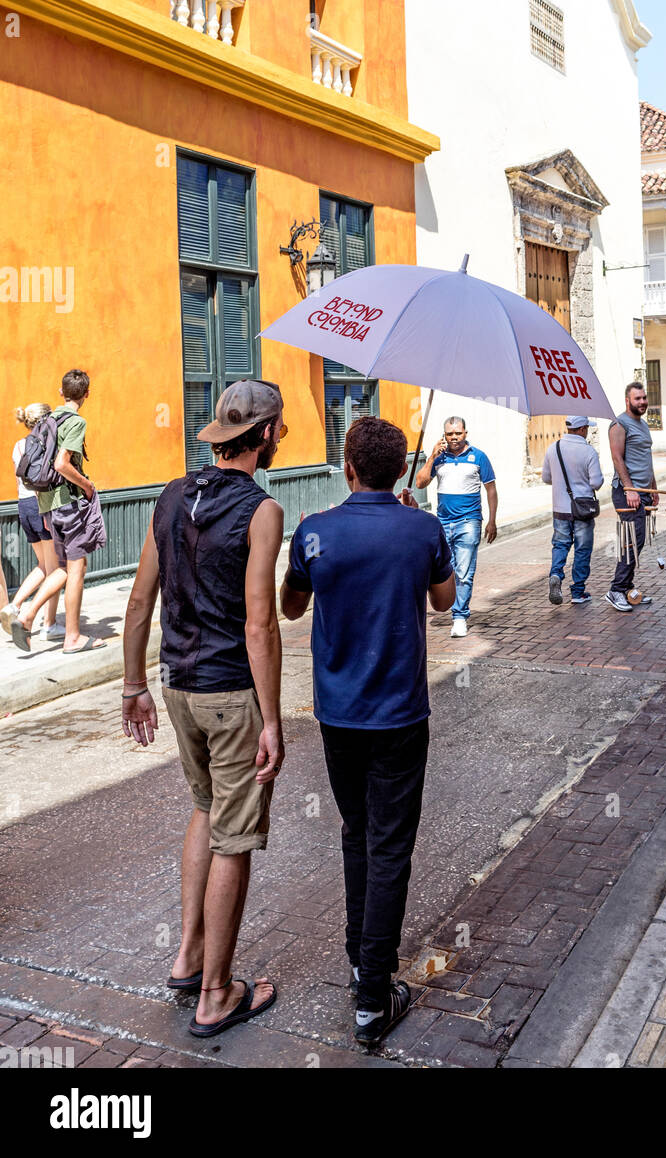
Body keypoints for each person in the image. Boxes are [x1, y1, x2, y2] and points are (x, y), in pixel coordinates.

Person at [281, 417, 455, 1045]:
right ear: (398, 469)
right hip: (402, 714)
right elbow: (443, 599)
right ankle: (372, 994)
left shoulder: (314, 530)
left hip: (338, 715)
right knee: (389, 846)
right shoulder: (423, 528)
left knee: (358, 831)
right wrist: (413, 530)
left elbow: (290, 605)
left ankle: (362, 958)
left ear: (347, 467)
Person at [121, 380, 287, 1039]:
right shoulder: (262, 510)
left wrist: (133, 686)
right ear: (269, 434)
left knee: (204, 808)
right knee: (235, 837)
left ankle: (189, 956)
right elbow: (259, 626)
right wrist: (272, 720)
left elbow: (139, 602)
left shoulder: (169, 496)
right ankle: (217, 994)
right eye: (282, 429)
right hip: (229, 693)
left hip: (177, 687)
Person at [10, 371, 107, 653]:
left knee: (64, 567)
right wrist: (88, 486)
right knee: (77, 569)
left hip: (50, 505)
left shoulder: (48, 420)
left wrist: (44, 510)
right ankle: (72, 638)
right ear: (87, 394)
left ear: (60, 391)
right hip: (69, 503)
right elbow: (62, 464)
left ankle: (27, 616)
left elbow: (39, 470)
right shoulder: (75, 421)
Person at [415, 417, 497, 637]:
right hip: (442, 522)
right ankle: (447, 607)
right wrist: (432, 456)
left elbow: (491, 490)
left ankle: (459, 616)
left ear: (465, 433)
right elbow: (420, 483)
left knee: (464, 572)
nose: (453, 438)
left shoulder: (479, 457)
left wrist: (492, 520)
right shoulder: (439, 458)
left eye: (457, 433)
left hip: (469, 522)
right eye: (449, 434)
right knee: (442, 569)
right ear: (445, 435)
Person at [1, 404, 64, 640]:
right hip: (40, 506)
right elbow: (41, 481)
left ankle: (13, 606)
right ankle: (49, 624)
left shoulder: (19, 445)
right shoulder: (43, 444)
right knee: (56, 569)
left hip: (23, 506)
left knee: (44, 565)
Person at [605, 381, 657, 613]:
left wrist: (652, 487)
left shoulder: (642, 424)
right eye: (638, 399)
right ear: (628, 401)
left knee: (638, 540)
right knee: (632, 540)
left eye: (644, 397)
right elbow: (617, 458)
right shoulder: (619, 423)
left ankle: (626, 588)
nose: (643, 402)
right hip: (628, 492)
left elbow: (646, 457)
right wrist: (630, 488)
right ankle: (616, 589)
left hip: (643, 492)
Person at [541, 415, 604, 606]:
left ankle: (556, 575)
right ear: (582, 429)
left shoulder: (554, 448)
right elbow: (596, 482)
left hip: (560, 509)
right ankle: (578, 591)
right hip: (583, 509)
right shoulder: (589, 452)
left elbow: (546, 478)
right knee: (582, 550)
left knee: (560, 545)